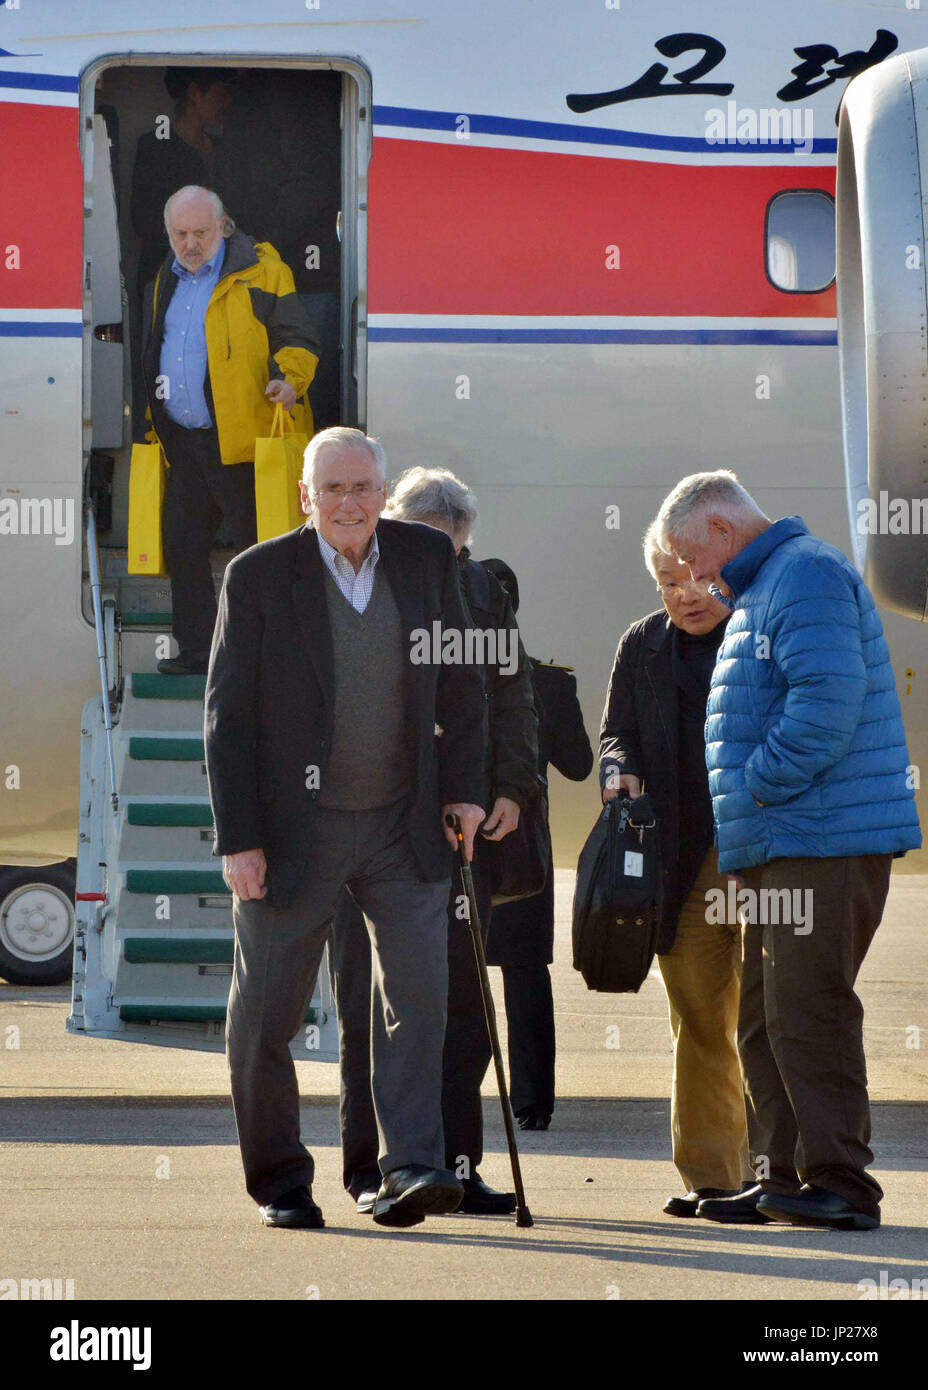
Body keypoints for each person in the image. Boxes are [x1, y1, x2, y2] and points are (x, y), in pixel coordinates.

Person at [204, 428, 488, 1230]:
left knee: (418, 1002)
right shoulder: (259, 576)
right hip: (297, 833)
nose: (350, 503)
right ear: (306, 497)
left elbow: (464, 684)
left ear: (383, 490)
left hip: (405, 825)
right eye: (333, 489)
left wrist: (465, 790)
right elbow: (228, 718)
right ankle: (283, 1184)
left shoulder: (428, 562)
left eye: (364, 487)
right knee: (267, 1013)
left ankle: (408, 1168)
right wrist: (238, 839)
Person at [656, 470, 921, 1230]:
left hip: (821, 840)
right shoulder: (766, 586)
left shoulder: (803, 575)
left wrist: (755, 784)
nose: (693, 576)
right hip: (782, 841)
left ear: (720, 529)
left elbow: (825, 706)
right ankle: (781, 1175)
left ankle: (842, 1181)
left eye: (691, 555)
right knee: (765, 1017)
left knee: (810, 1011)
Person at [328, 467, 539, 1216]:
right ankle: (369, 1168)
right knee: (372, 1002)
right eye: (432, 547)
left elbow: (514, 694)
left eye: (456, 550)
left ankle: (454, 1162)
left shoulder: (484, 594)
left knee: (463, 1002)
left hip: (464, 827)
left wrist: (513, 786)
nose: (444, 564)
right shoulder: (363, 589)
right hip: (380, 826)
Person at [599, 523, 754, 1216]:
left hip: (759, 852)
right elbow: (616, 734)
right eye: (667, 583)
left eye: (692, 578)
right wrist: (619, 769)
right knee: (698, 1018)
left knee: (772, 1018)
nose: (683, 595)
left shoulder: (758, 632)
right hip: (680, 860)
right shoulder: (641, 644)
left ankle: (788, 1173)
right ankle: (716, 1179)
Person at [140, 185, 320, 676]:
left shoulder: (264, 270)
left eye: (201, 232)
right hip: (186, 441)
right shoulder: (164, 280)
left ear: (223, 226)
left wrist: (289, 379)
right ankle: (198, 652)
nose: (190, 243)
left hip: (244, 440)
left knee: (256, 551)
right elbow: (153, 349)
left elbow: (299, 336)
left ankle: (263, 656)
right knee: (182, 546)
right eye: (180, 234)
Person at [482, 558, 594, 1133]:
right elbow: (579, 766)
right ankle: (532, 1103)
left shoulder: (444, 673)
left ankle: (456, 1092)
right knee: (526, 975)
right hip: (525, 852)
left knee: (462, 973)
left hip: (473, 849)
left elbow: (577, 765)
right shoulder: (549, 680)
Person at [131, 68, 237, 303]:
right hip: (167, 277)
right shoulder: (155, 148)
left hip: (220, 280)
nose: (227, 103)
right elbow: (144, 220)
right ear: (195, 94)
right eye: (222, 94)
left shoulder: (225, 150)